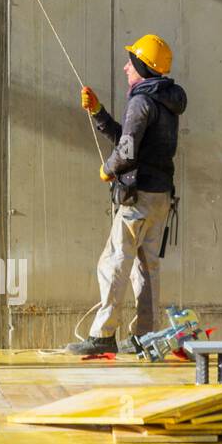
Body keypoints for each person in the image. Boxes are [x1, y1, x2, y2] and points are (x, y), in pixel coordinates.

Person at [67, 34, 187, 356]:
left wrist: (108, 169)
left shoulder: (140, 102)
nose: (125, 67)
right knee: (148, 268)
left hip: (138, 199)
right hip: (160, 197)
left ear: (142, 67)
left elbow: (127, 151)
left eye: (130, 62)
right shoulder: (165, 101)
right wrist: (99, 113)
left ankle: (103, 334)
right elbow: (130, 138)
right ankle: (144, 336)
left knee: (114, 262)